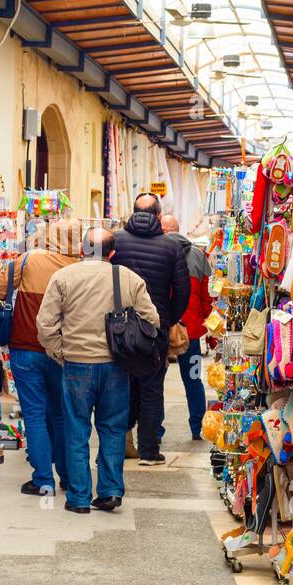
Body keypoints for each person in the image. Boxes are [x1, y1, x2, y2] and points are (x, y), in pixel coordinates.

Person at [36, 226, 159, 513]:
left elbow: (45, 325)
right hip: (116, 366)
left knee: (76, 430)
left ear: (81, 250)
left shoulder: (63, 277)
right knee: (113, 428)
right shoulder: (128, 278)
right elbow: (151, 319)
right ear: (112, 253)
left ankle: (79, 498)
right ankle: (110, 490)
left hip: (77, 364)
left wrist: (60, 352)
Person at [0, 218, 82, 496]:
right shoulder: (80, 267)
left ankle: (43, 480)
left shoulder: (31, 259)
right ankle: (67, 476)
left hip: (26, 347)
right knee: (61, 414)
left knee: (34, 414)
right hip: (61, 351)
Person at [111, 193, 190, 466]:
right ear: (158, 216)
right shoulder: (171, 248)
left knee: (121, 385)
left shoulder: (116, 241)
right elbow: (182, 291)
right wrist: (168, 318)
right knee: (152, 388)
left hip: (118, 326)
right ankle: (149, 450)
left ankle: (119, 443)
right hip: (154, 329)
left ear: (132, 212)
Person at [161, 214, 212, 440]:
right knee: (193, 380)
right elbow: (207, 299)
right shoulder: (199, 256)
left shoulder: (156, 253)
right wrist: (207, 326)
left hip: (161, 332)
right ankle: (197, 427)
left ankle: (155, 431)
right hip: (190, 334)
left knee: (155, 383)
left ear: (164, 230)